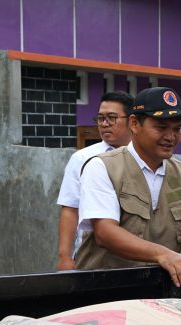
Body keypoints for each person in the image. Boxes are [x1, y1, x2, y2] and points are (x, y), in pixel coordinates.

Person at [76, 87, 181, 289]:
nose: (170, 137)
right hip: (104, 291)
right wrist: (164, 255)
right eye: (161, 127)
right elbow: (105, 233)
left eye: (177, 129)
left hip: (158, 291)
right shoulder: (102, 167)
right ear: (134, 124)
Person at [56, 91, 134, 270]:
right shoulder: (83, 158)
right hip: (93, 254)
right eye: (100, 118)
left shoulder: (142, 157)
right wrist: (65, 257)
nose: (104, 124)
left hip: (137, 254)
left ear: (132, 121)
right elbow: (70, 209)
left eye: (112, 118)